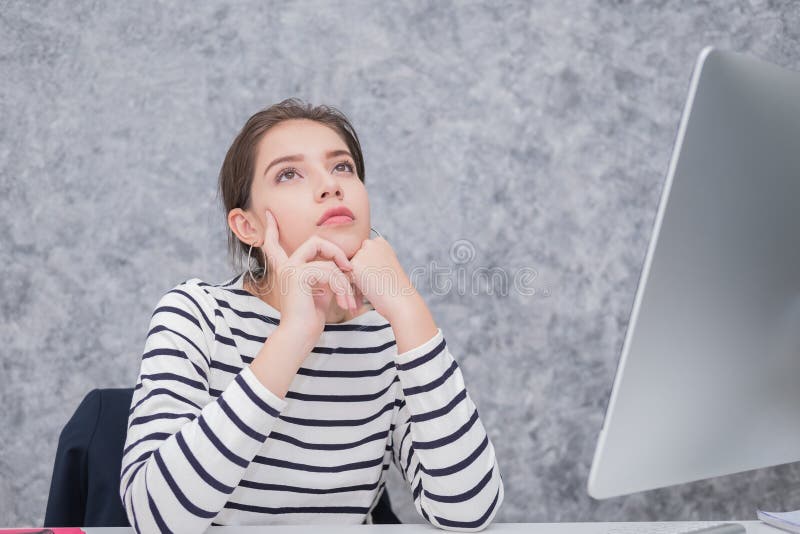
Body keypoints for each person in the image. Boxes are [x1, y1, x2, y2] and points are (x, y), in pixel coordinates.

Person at [119, 98, 504, 533]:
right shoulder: (197, 315)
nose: (330, 186)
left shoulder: (390, 336)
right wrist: (295, 334)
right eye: (288, 173)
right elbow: (153, 518)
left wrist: (408, 307)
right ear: (247, 227)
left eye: (342, 167)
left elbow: (468, 512)